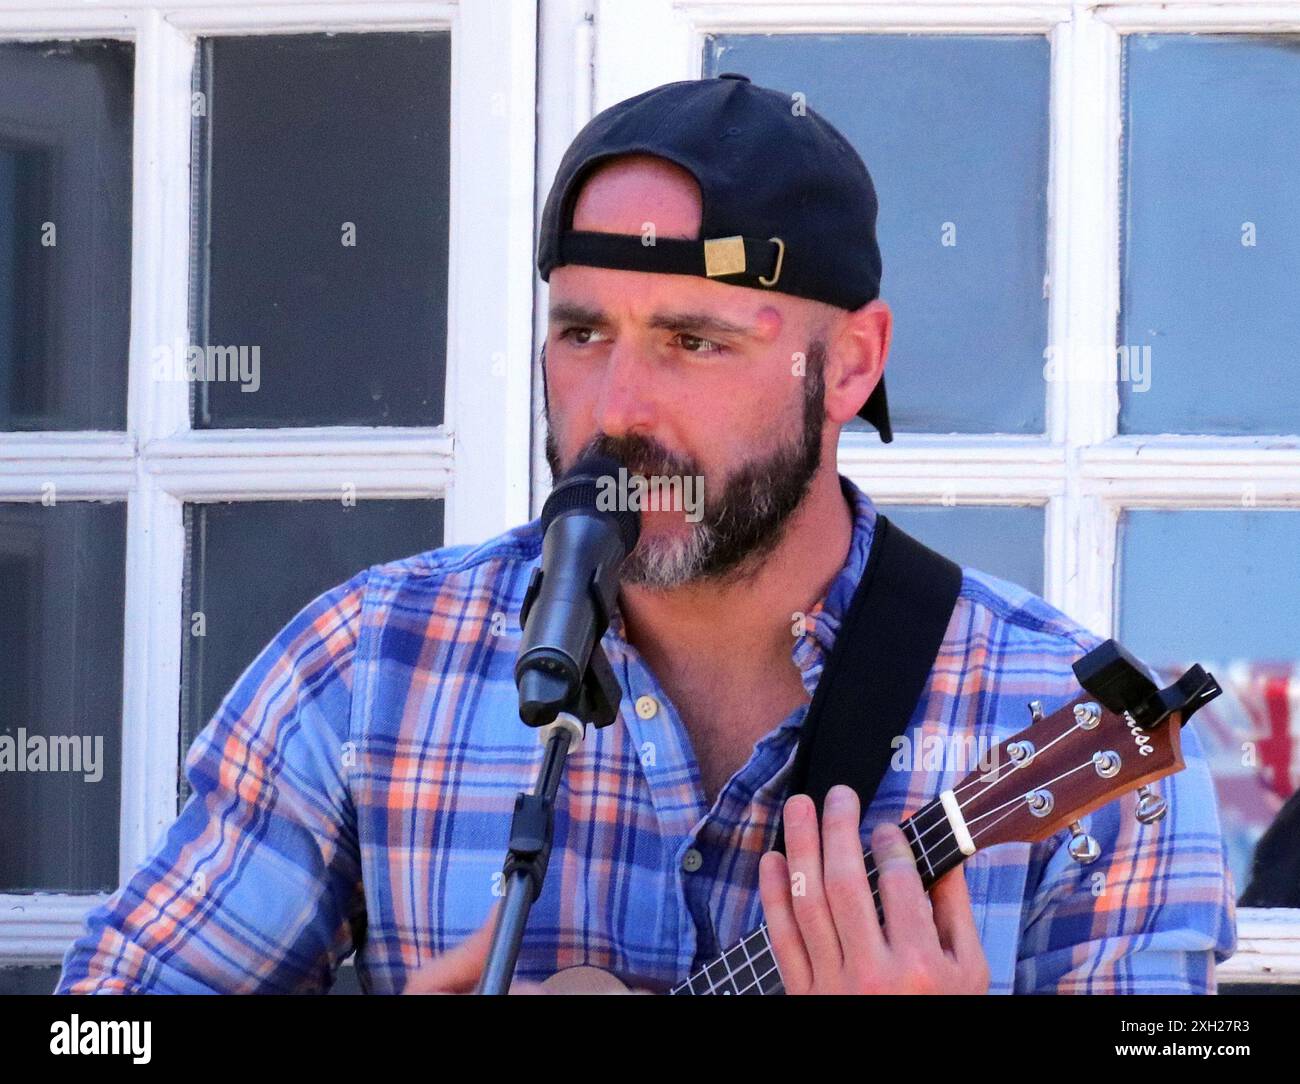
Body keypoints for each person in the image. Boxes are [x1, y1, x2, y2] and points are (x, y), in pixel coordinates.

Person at [58, 74, 1236, 995]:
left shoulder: (1069, 741)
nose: (616, 407)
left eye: (693, 340)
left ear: (852, 364)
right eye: (581, 333)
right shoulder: (368, 666)